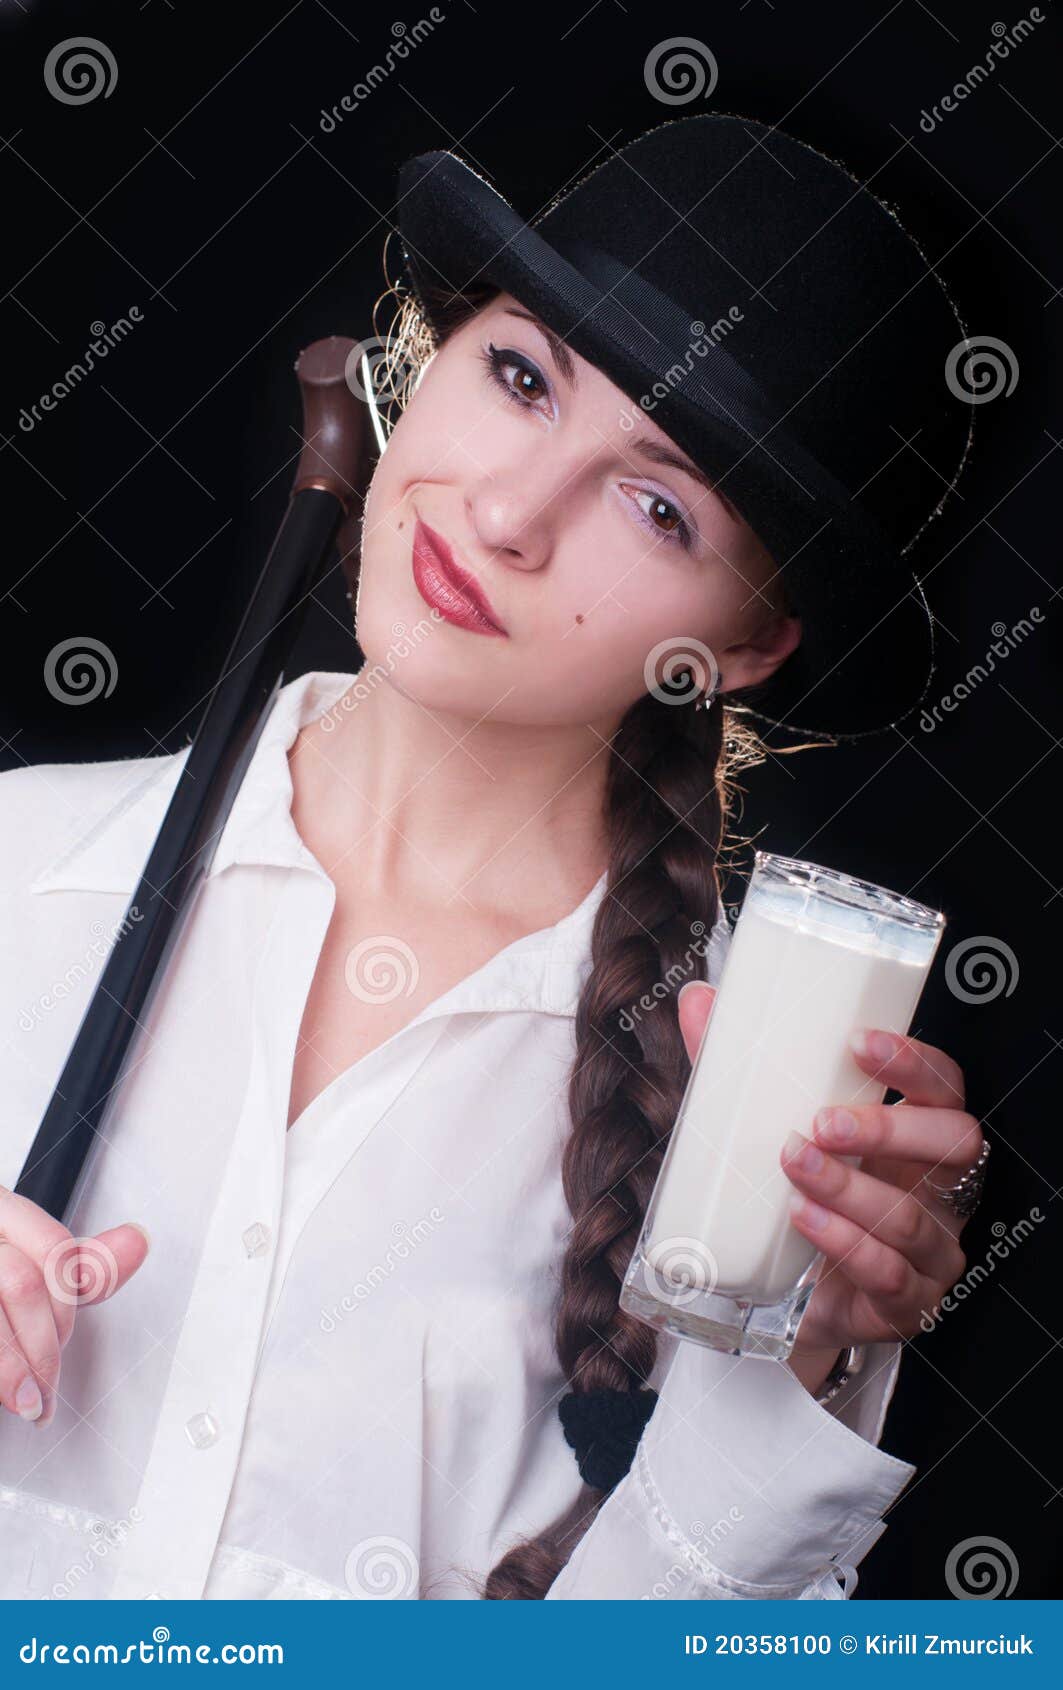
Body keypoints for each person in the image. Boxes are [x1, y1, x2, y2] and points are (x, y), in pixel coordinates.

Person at [0, 112, 987, 1601]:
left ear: (740, 646)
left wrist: (797, 1361)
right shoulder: (21, 871)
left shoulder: (751, 1133)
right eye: (521, 378)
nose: (512, 514)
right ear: (431, 356)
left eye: (657, 505)